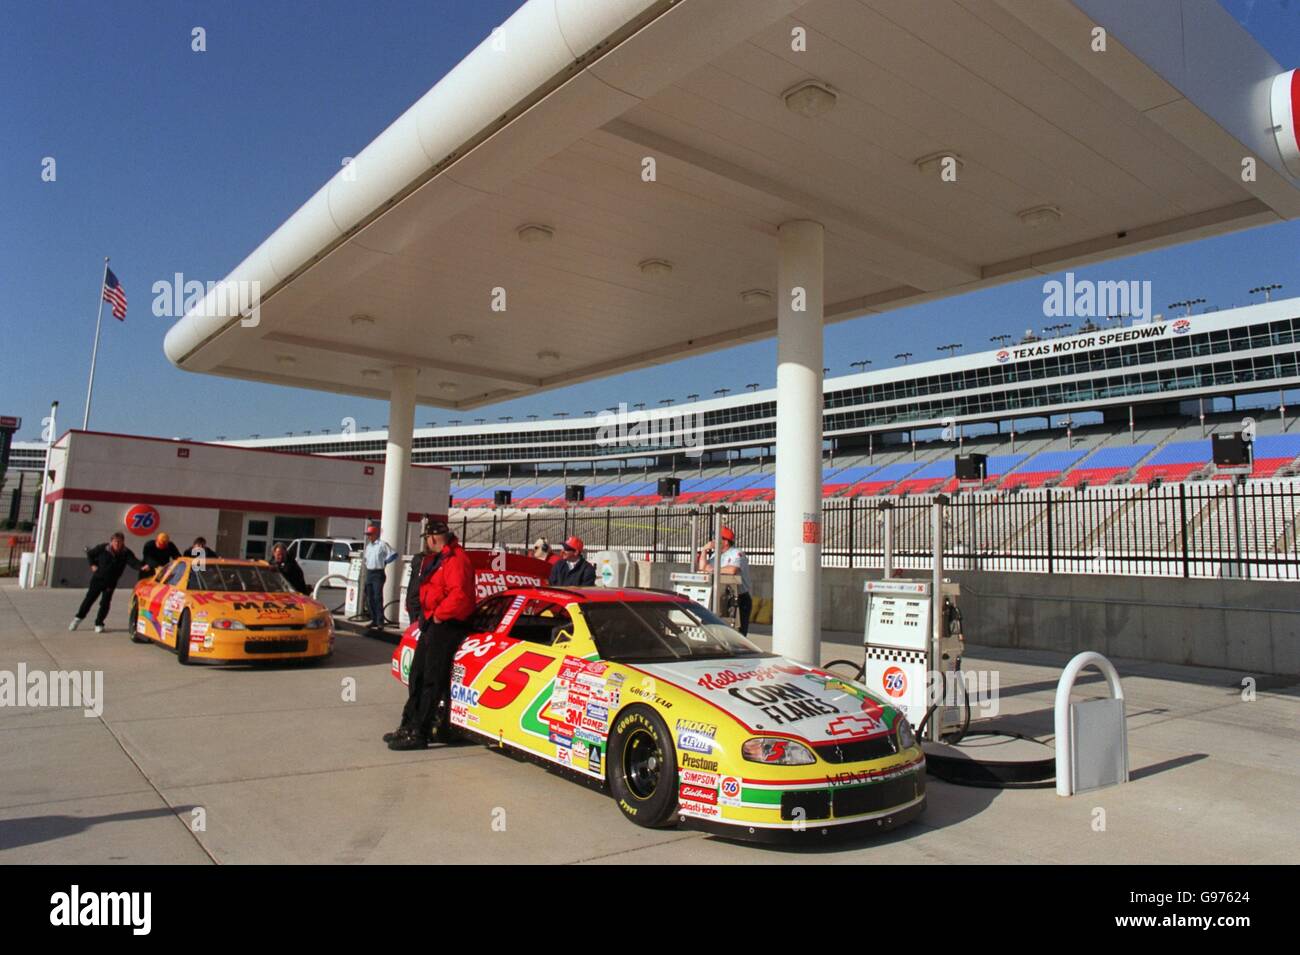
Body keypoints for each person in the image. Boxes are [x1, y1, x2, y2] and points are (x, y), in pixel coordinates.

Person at [387, 521, 477, 751]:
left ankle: (420, 731)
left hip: (446, 624)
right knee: (417, 675)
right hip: (432, 621)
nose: (426, 542)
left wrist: (438, 615)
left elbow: (458, 595)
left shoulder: (456, 560)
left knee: (431, 678)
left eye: (427, 537)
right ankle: (409, 723)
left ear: (434, 538)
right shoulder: (439, 558)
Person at [70, 532, 144, 633]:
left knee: (105, 603)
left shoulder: (126, 552)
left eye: (120, 542)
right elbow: (90, 554)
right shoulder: (103, 548)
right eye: (115, 542)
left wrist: (142, 567)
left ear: (123, 542)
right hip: (98, 579)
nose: (117, 544)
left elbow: (134, 562)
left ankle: (99, 623)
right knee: (89, 600)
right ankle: (77, 619)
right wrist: (92, 565)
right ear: (111, 542)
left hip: (111, 582)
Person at [697, 525, 753, 635]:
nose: (713, 541)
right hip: (722, 598)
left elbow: (732, 570)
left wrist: (712, 569)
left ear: (726, 541)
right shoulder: (715, 555)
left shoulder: (737, 553)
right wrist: (704, 550)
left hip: (739, 598)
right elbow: (702, 567)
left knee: (738, 632)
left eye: (717, 538)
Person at [362, 523, 398, 630]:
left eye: (370, 534)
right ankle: (373, 619)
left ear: (375, 534)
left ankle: (380, 621)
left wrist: (385, 562)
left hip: (378, 573)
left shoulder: (382, 544)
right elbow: (366, 559)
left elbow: (393, 554)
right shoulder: (368, 546)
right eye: (368, 534)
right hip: (370, 572)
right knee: (369, 597)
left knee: (377, 597)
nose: (368, 536)